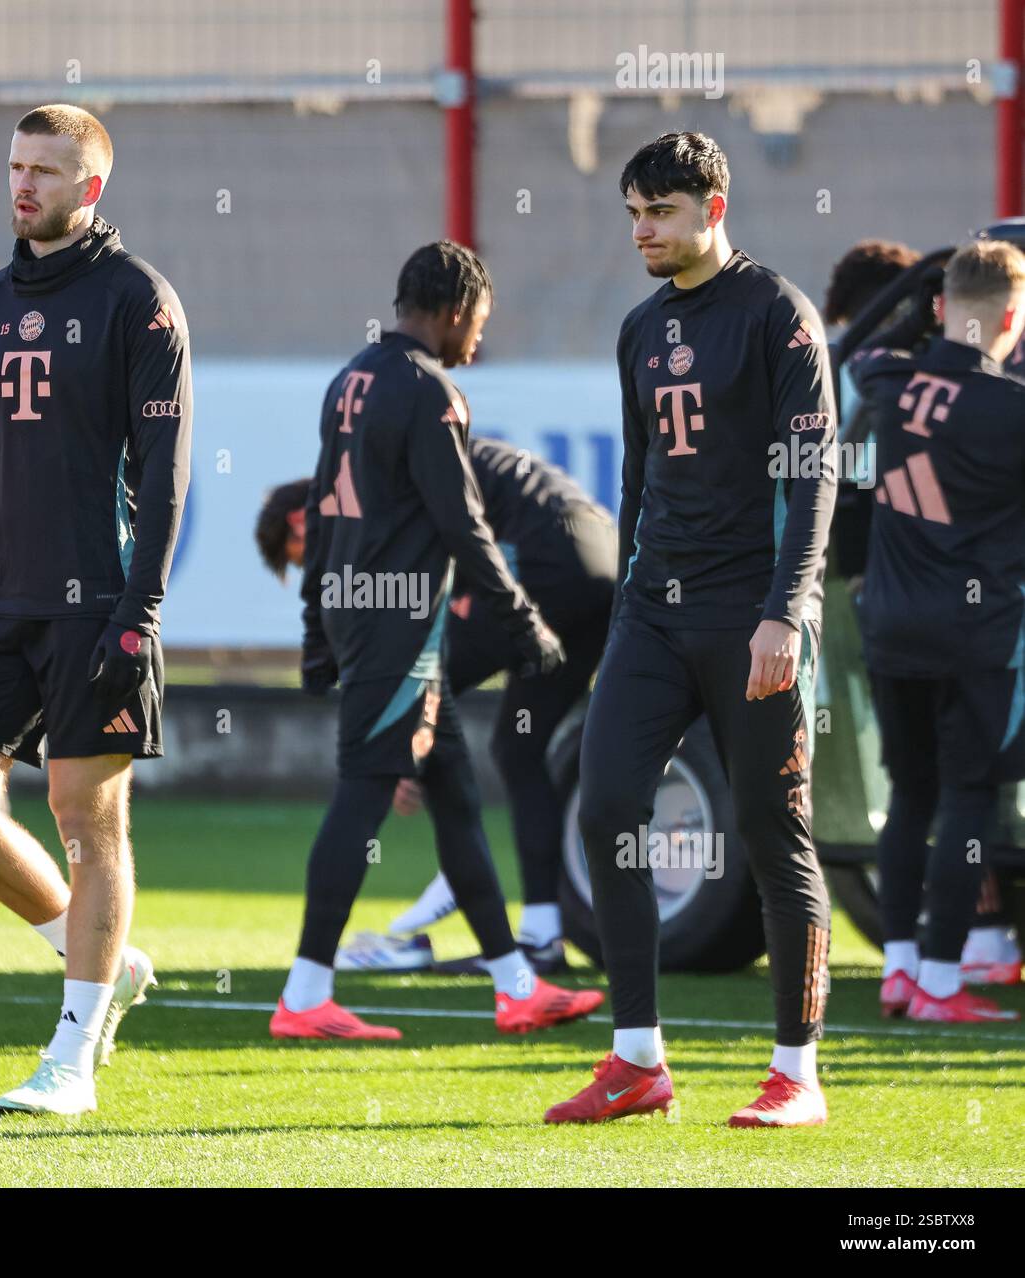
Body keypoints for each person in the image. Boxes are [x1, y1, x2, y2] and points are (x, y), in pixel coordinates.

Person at [546, 133, 837, 1128]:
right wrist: (625, 599)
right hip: (652, 615)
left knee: (769, 832)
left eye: (659, 213)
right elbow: (637, 481)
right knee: (605, 804)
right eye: (633, 214)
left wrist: (784, 613)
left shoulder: (776, 314)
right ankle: (637, 1062)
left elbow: (812, 480)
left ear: (713, 206)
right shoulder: (639, 328)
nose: (642, 232)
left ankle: (795, 1076)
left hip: (751, 615)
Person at [0, 104, 192, 1115]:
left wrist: (140, 612)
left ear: (91, 186)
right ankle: (98, 961)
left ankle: (70, 1058)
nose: (23, 184)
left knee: (87, 820)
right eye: (15, 167)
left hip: (96, 605)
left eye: (45, 170)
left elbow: (163, 476)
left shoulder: (140, 300)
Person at [271, 239, 603, 1042]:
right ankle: (307, 993)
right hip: (398, 624)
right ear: (455, 312)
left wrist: (317, 625)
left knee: (456, 797)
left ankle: (517, 986)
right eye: (477, 324)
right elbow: (463, 522)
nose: (476, 344)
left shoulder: (348, 377)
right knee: (364, 791)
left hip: (371, 612)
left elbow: (325, 508)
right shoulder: (432, 391)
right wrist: (523, 621)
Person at [256, 438, 616, 973]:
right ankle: (541, 933)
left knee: (417, 685)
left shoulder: (372, 491)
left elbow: (424, 605)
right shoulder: (410, 465)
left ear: (300, 522)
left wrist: (406, 737)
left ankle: (460, 875)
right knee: (518, 746)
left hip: (542, 563)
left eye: (307, 558)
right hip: (601, 564)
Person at [850, 239, 1025, 1024]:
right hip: (974, 630)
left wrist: (928, 293)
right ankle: (944, 986)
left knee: (910, 794)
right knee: (967, 797)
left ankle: (899, 971)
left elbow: (859, 348)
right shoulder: (1012, 408)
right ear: (1014, 318)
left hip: (891, 622)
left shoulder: (888, 380)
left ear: (942, 308)